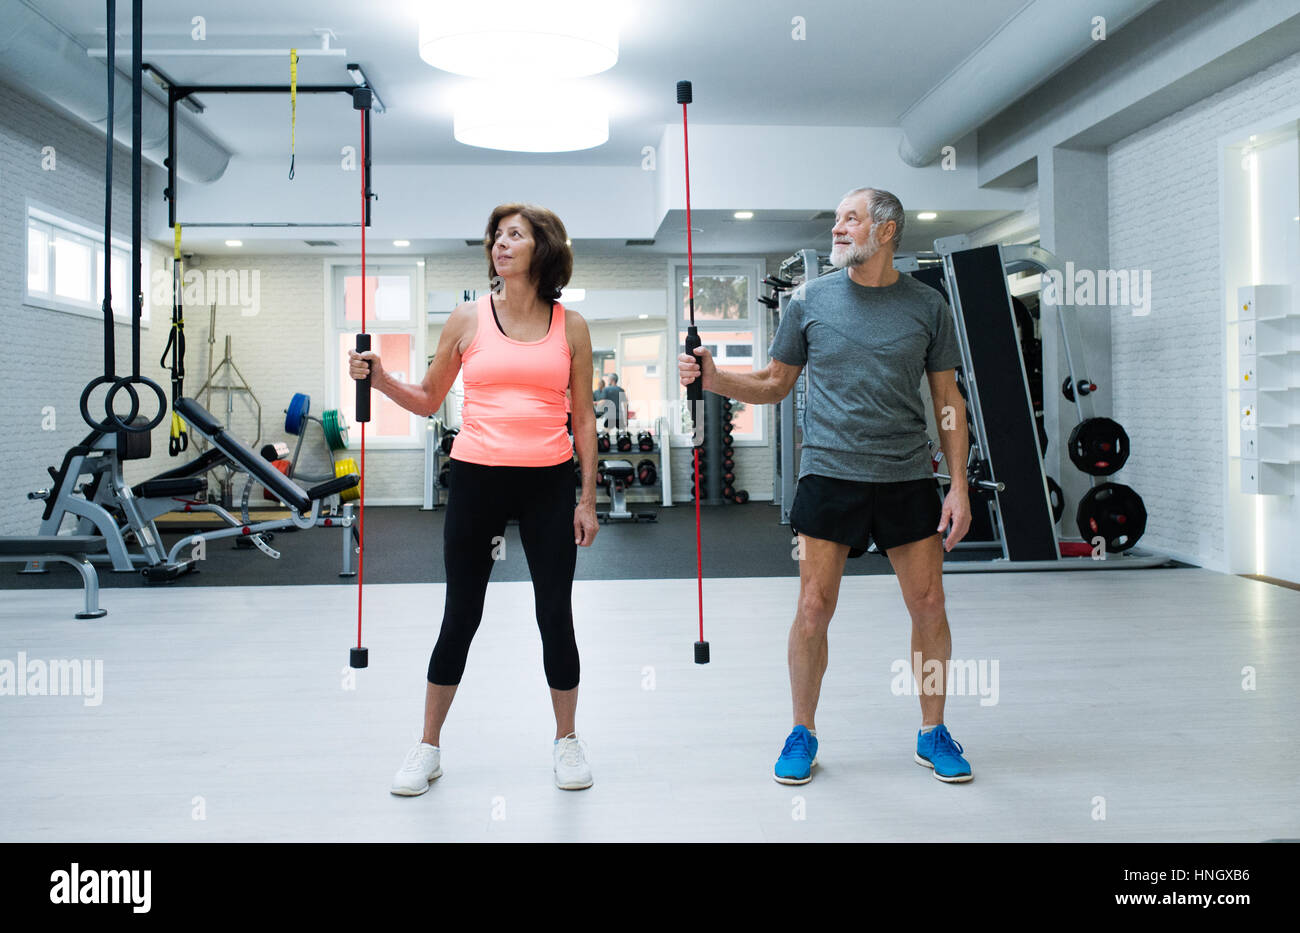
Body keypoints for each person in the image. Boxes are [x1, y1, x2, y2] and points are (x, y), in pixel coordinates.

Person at [678, 187, 974, 785]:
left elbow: (947, 400)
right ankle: (802, 731)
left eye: (850, 219)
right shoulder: (809, 301)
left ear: (886, 231)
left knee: (930, 606)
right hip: (829, 475)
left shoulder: (927, 306)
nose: (837, 228)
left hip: (906, 477)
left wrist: (960, 485)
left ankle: (932, 730)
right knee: (813, 608)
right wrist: (714, 377)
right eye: (836, 219)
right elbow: (773, 383)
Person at [349, 202, 600, 795]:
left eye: (516, 235)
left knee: (554, 614)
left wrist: (586, 499)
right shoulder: (467, 318)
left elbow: (584, 418)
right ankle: (428, 746)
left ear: (544, 249)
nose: (501, 244)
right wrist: (381, 378)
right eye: (497, 236)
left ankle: (567, 741)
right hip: (477, 478)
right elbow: (430, 399)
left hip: (547, 481)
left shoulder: (572, 326)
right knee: (461, 613)